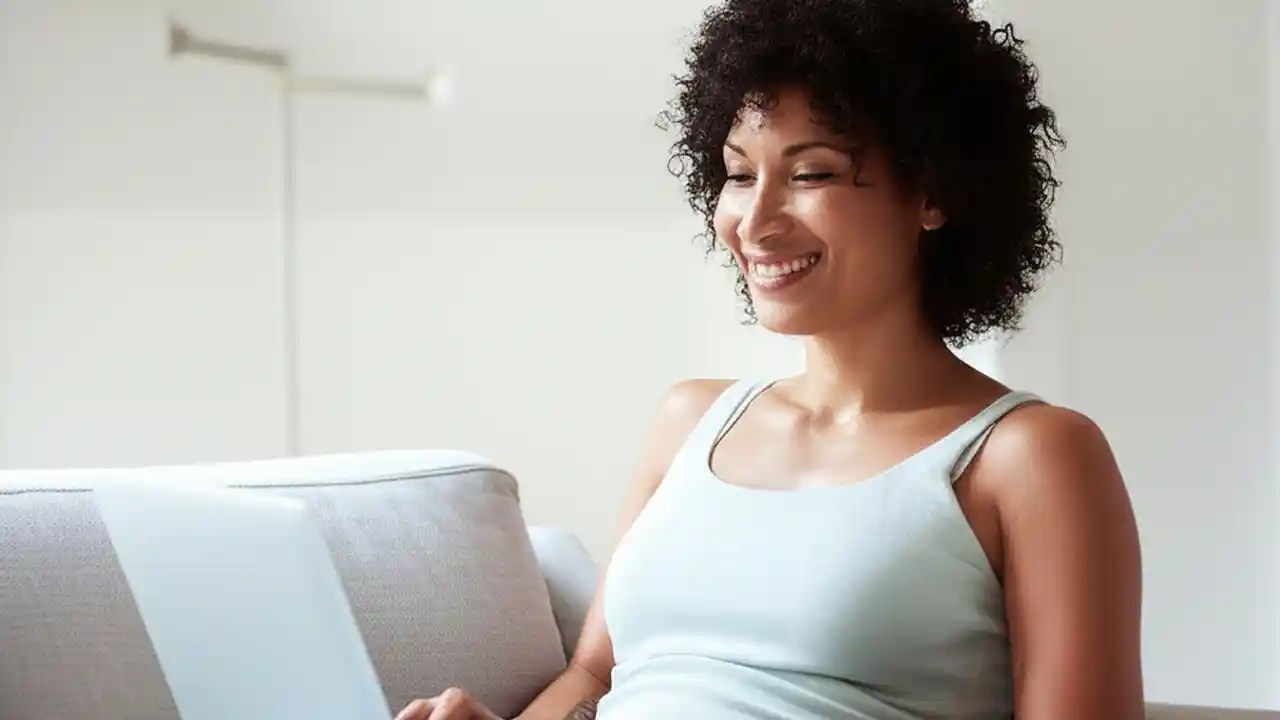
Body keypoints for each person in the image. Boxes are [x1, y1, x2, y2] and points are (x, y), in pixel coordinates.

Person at [396, 0, 1145, 717]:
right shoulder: (689, 420)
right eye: (739, 174)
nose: (754, 221)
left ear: (933, 190)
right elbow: (597, 675)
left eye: (811, 173)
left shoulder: (1029, 457)